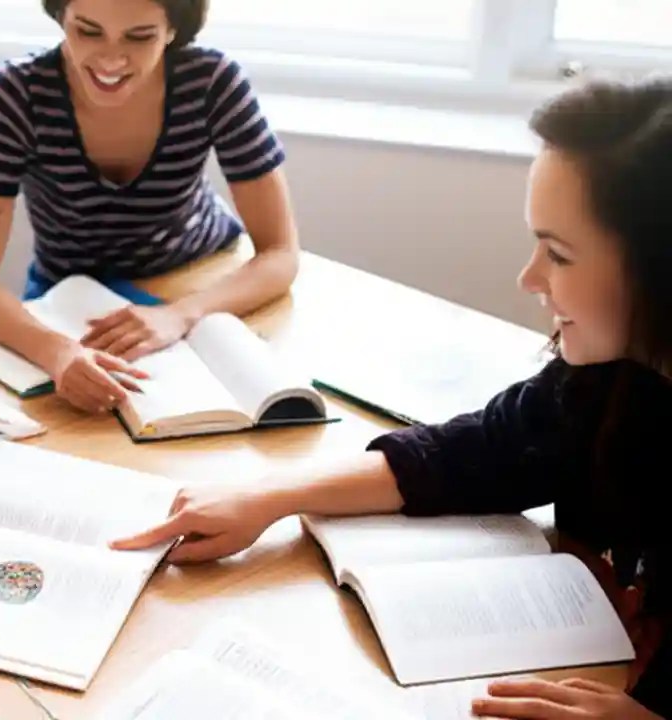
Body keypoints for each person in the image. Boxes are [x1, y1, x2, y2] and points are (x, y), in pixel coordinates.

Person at [113, 76, 672, 719]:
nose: (529, 278)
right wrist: (269, 497)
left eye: (560, 254)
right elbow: (475, 453)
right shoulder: (611, 379)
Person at [0, 0, 300, 414]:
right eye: (87, 30)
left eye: (140, 37)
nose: (111, 58)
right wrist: (56, 351)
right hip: (69, 294)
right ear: (61, 17)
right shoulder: (17, 95)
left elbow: (281, 255)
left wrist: (180, 314)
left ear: (173, 30)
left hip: (204, 280)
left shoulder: (212, 81)